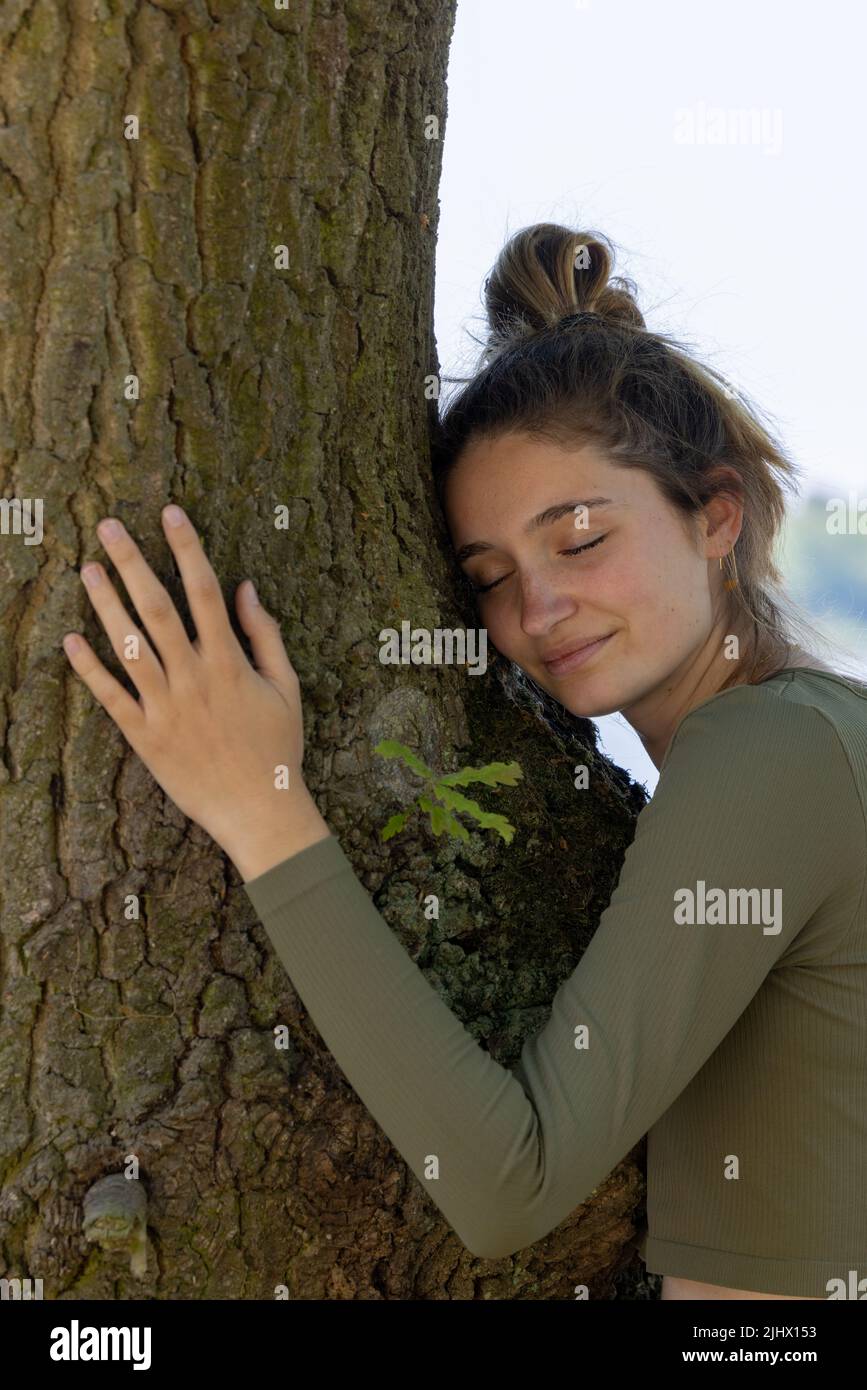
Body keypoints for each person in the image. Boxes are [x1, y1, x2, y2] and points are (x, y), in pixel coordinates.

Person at [62, 223, 867, 1301]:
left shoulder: (772, 755)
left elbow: (508, 1184)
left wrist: (263, 814)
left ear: (715, 517)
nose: (537, 609)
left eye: (579, 540)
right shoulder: (803, 741)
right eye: (488, 577)